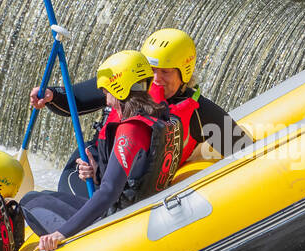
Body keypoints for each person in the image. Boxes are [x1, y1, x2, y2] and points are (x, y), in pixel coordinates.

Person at [30, 28, 250, 195]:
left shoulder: (199, 112)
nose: (156, 79)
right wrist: (52, 95)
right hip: (87, 169)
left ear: (184, 72)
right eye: (152, 70)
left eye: (165, 72)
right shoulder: (126, 82)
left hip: (128, 188)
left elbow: (243, 149)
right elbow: (74, 100)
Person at [20, 50, 183, 251]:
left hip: (116, 225)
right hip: (140, 213)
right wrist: (97, 171)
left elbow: (108, 191)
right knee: (40, 195)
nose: (105, 100)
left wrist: (61, 233)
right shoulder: (162, 116)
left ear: (119, 88)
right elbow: (139, 175)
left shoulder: (131, 129)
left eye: (106, 92)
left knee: (29, 203)